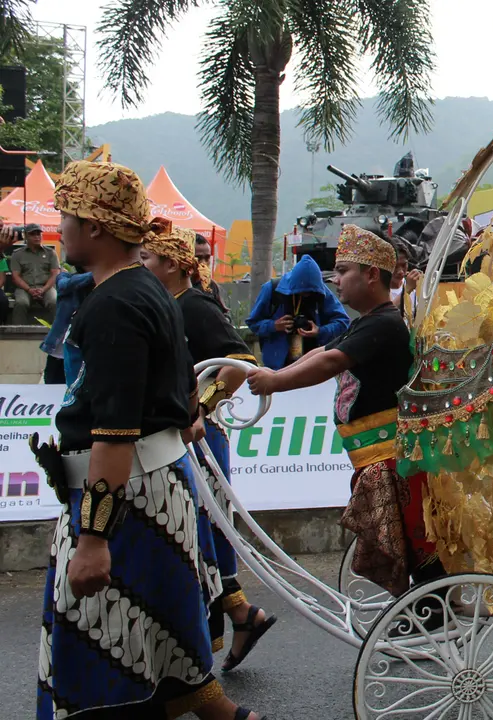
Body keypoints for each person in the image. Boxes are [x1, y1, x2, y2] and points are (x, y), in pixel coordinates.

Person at [39, 161, 263, 719]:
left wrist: (92, 540)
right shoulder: (147, 293)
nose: (60, 227)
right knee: (161, 651)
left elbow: (113, 432)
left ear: (95, 226)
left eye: (67, 215)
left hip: (126, 501)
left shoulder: (116, 304)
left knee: (98, 665)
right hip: (150, 490)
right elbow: (187, 394)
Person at [247, 226, 437, 595]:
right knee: (400, 540)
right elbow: (321, 351)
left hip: (390, 457)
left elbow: (330, 361)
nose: (335, 280)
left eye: (344, 270)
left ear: (370, 275)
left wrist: (274, 383)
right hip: (372, 455)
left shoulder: (385, 324)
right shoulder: (366, 322)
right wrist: (274, 373)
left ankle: (434, 601)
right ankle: (427, 602)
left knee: (413, 542)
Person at [140, 218, 278, 673]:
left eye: (148, 259)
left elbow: (238, 364)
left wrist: (197, 408)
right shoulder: (165, 304)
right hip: (181, 436)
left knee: (201, 528)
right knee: (197, 531)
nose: (142, 265)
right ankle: (240, 616)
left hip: (199, 438)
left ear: (175, 266)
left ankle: (214, 634)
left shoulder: (193, 304)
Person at [246, 253, 349, 370]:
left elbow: (343, 323)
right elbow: (253, 323)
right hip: (277, 368)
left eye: (310, 292)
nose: (306, 294)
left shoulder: (321, 292)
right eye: (302, 291)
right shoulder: (271, 289)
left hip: (314, 366)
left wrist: (320, 331)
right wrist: (274, 326)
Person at [37, 267, 95, 385]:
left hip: (85, 350)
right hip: (59, 351)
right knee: (51, 386)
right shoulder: (65, 277)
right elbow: (64, 285)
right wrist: (97, 273)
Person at [9, 223, 60, 324]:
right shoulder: (17, 254)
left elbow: (55, 274)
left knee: (54, 301)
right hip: (25, 288)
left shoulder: (50, 253)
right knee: (21, 303)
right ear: (26, 236)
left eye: (39, 234)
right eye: (33, 234)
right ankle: (18, 332)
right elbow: (15, 276)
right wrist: (29, 289)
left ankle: (58, 333)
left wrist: (43, 289)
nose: (37, 237)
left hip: (46, 287)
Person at [193, 233, 231, 315]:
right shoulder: (176, 286)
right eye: (198, 258)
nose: (203, 263)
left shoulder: (212, 286)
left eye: (207, 258)